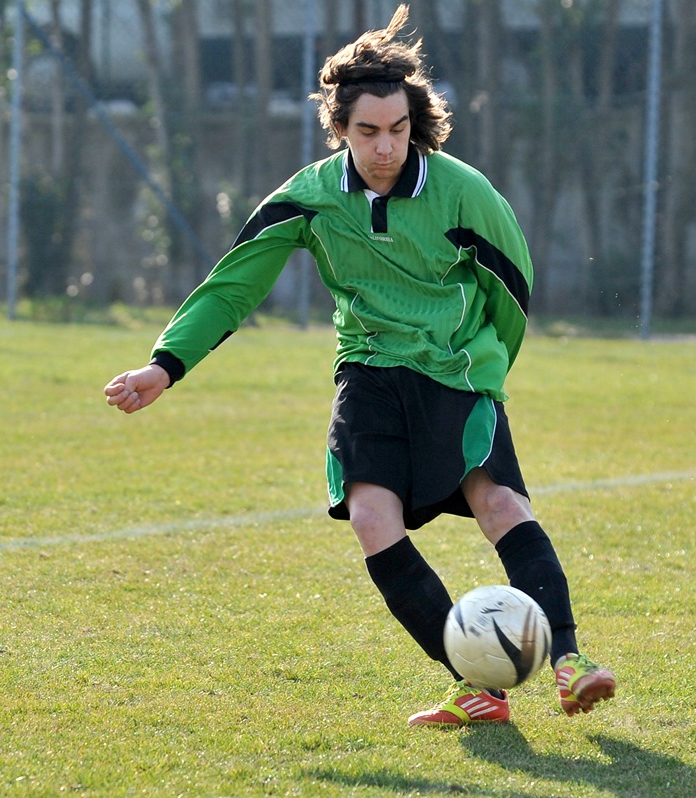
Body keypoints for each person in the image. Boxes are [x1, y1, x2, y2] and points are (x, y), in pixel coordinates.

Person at [103, 4, 615, 727]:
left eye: (399, 131)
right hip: (369, 374)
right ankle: (476, 683)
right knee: (373, 520)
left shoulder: (463, 191)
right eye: (368, 132)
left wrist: (487, 370)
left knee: (499, 505)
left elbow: (513, 290)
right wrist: (165, 365)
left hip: (455, 373)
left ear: (417, 124)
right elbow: (234, 284)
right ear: (340, 128)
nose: (385, 148)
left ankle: (568, 660)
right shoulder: (310, 199)